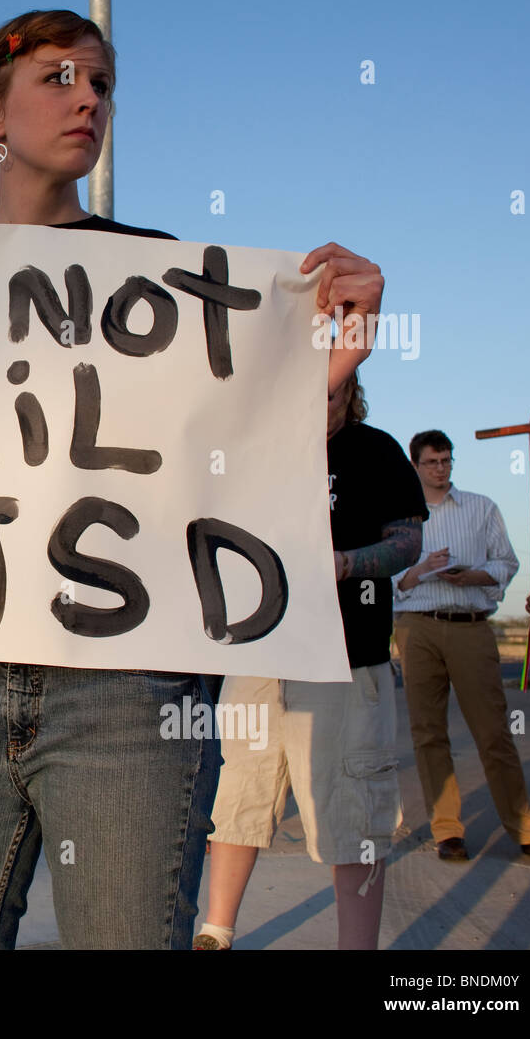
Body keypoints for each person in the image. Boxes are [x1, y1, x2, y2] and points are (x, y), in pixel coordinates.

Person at [0, 9, 385, 948]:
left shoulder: (157, 270)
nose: (89, 99)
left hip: (129, 692)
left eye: (101, 84)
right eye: (60, 77)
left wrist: (331, 367)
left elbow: (232, 457)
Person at [194, 374, 425, 950]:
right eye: (310, 392)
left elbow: (407, 543)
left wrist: (348, 562)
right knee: (236, 797)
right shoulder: (259, 449)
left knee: (352, 812)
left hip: (345, 657)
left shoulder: (378, 450)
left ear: (353, 391)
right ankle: (215, 933)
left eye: (333, 393)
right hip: (259, 650)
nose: (322, 404)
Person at [392, 431, 530, 866]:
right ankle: (447, 831)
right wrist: (422, 569)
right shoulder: (399, 517)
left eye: (447, 460)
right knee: (429, 734)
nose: (441, 468)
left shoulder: (481, 507)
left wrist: (472, 576)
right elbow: (390, 580)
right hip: (417, 627)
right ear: (415, 465)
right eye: (432, 462)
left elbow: (506, 562)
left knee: (493, 732)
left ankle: (527, 831)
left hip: (470, 624)